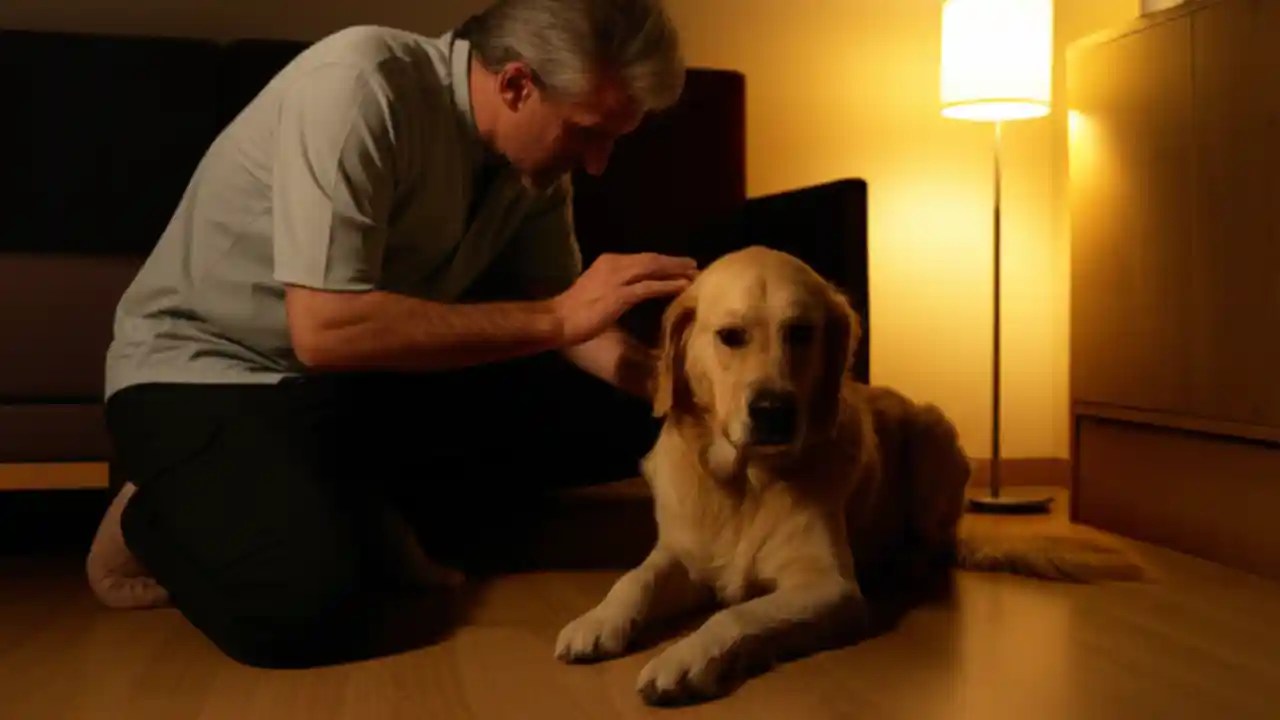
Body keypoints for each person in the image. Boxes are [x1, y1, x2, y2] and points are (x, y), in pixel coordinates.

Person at [88, 0, 694, 669]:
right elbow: (326, 330)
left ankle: (346, 494)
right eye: (587, 133)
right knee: (305, 614)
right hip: (209, 371)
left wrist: (665, 381)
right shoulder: (359, 83)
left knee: (648, 416)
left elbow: (558, 311)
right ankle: (159, 509)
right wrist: (557, 318)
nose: (599, 162)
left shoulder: (535, 167)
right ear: (518, 84)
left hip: (352, 389)